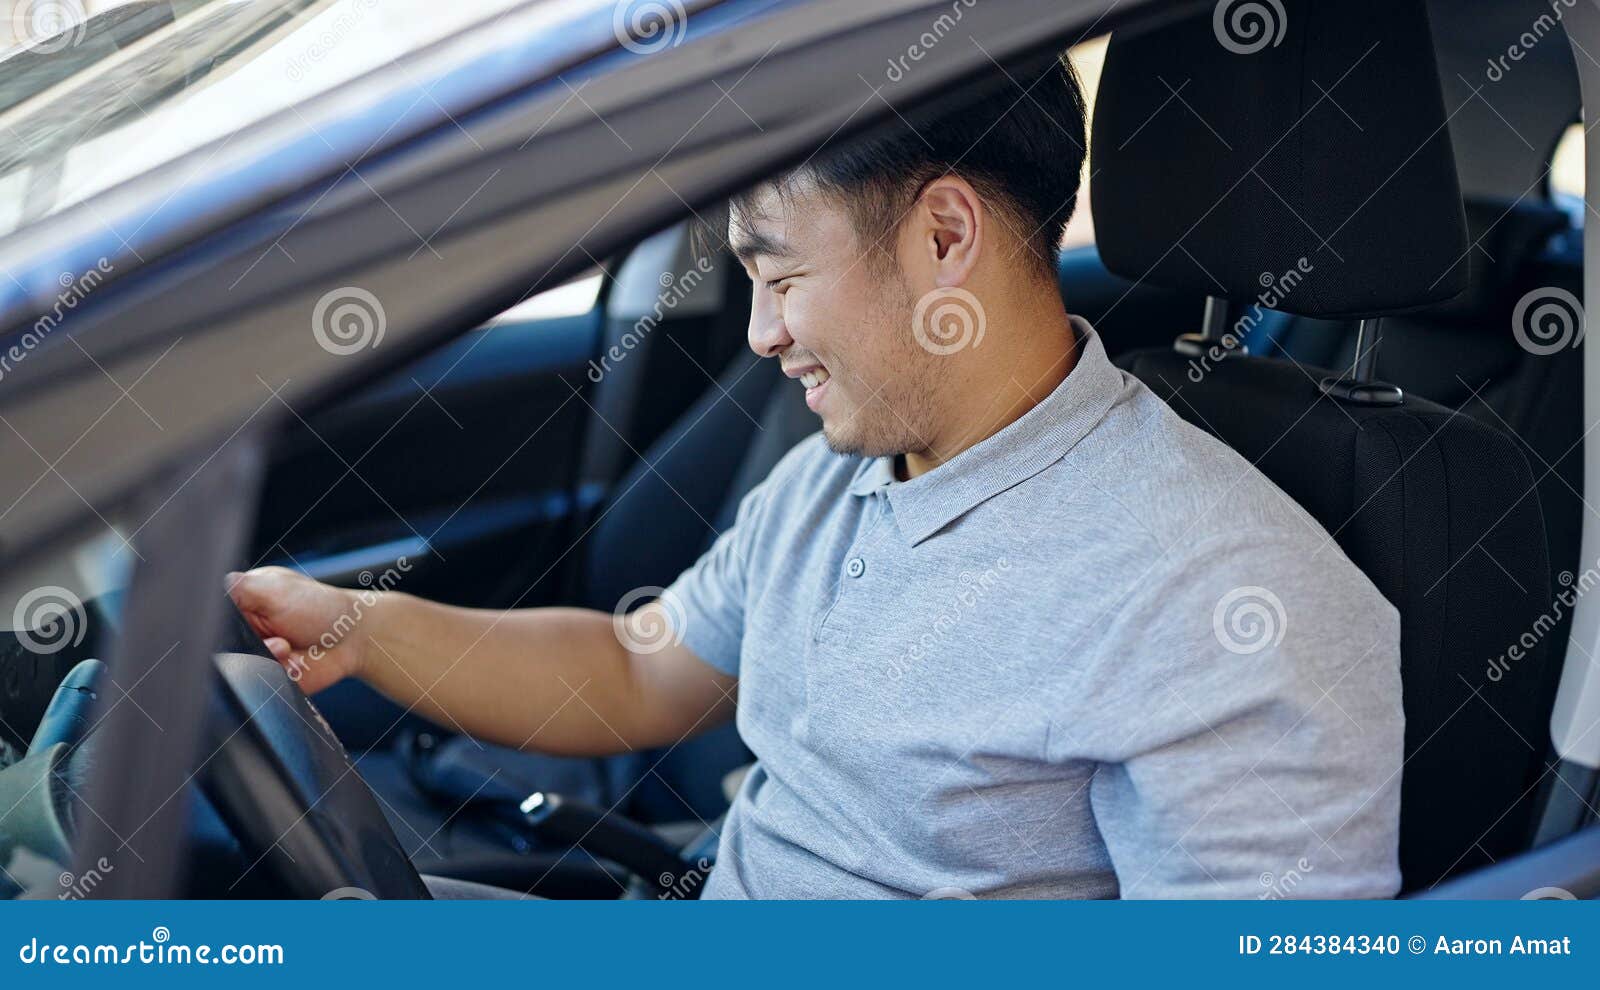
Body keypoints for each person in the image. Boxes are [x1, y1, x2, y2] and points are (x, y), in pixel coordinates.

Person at [227, 52, 1404, 899]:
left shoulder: (1227, 598)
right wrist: (365, 629)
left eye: (779, 276)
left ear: (944, 238)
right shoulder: (840, 478)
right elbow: (636, 673)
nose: (758, 334)